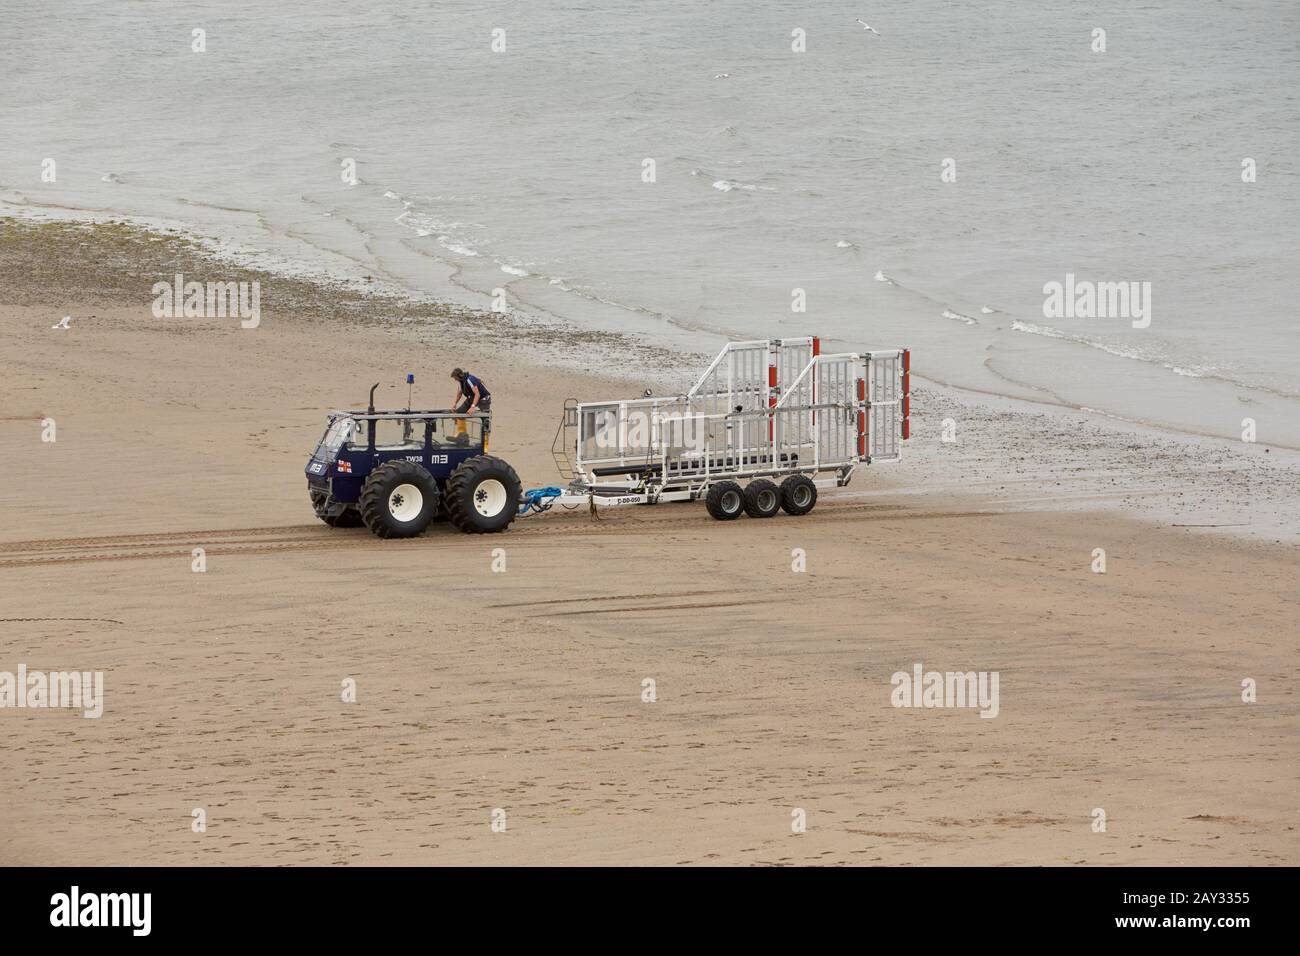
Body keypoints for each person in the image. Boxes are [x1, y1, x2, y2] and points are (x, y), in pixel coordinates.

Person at [450, 368, 491, 442]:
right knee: (459, 413)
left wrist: (472, 407)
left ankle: (485, 441)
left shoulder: (469, 379)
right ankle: (461, 436)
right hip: (472, 397)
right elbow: (460, 393)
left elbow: (477, 394)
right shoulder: (461, 381)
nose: (455, 380)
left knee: (485, 420)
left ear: (459, 376)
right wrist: (455, 403)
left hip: (484, 398)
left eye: (455, 378)